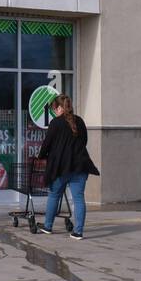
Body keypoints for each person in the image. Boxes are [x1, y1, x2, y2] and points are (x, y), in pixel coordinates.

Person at [37, 94, 99, 239]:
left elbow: (47, 144)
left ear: (60, 108)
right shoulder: (80, 121)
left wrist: (41, 156)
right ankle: (78, 232)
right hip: (80, 166)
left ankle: (48, 226)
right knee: (78, 198)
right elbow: (84, 141)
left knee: (54, 195)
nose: (54, 112)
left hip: (60, 168)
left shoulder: (55, 123)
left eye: (55, 109)